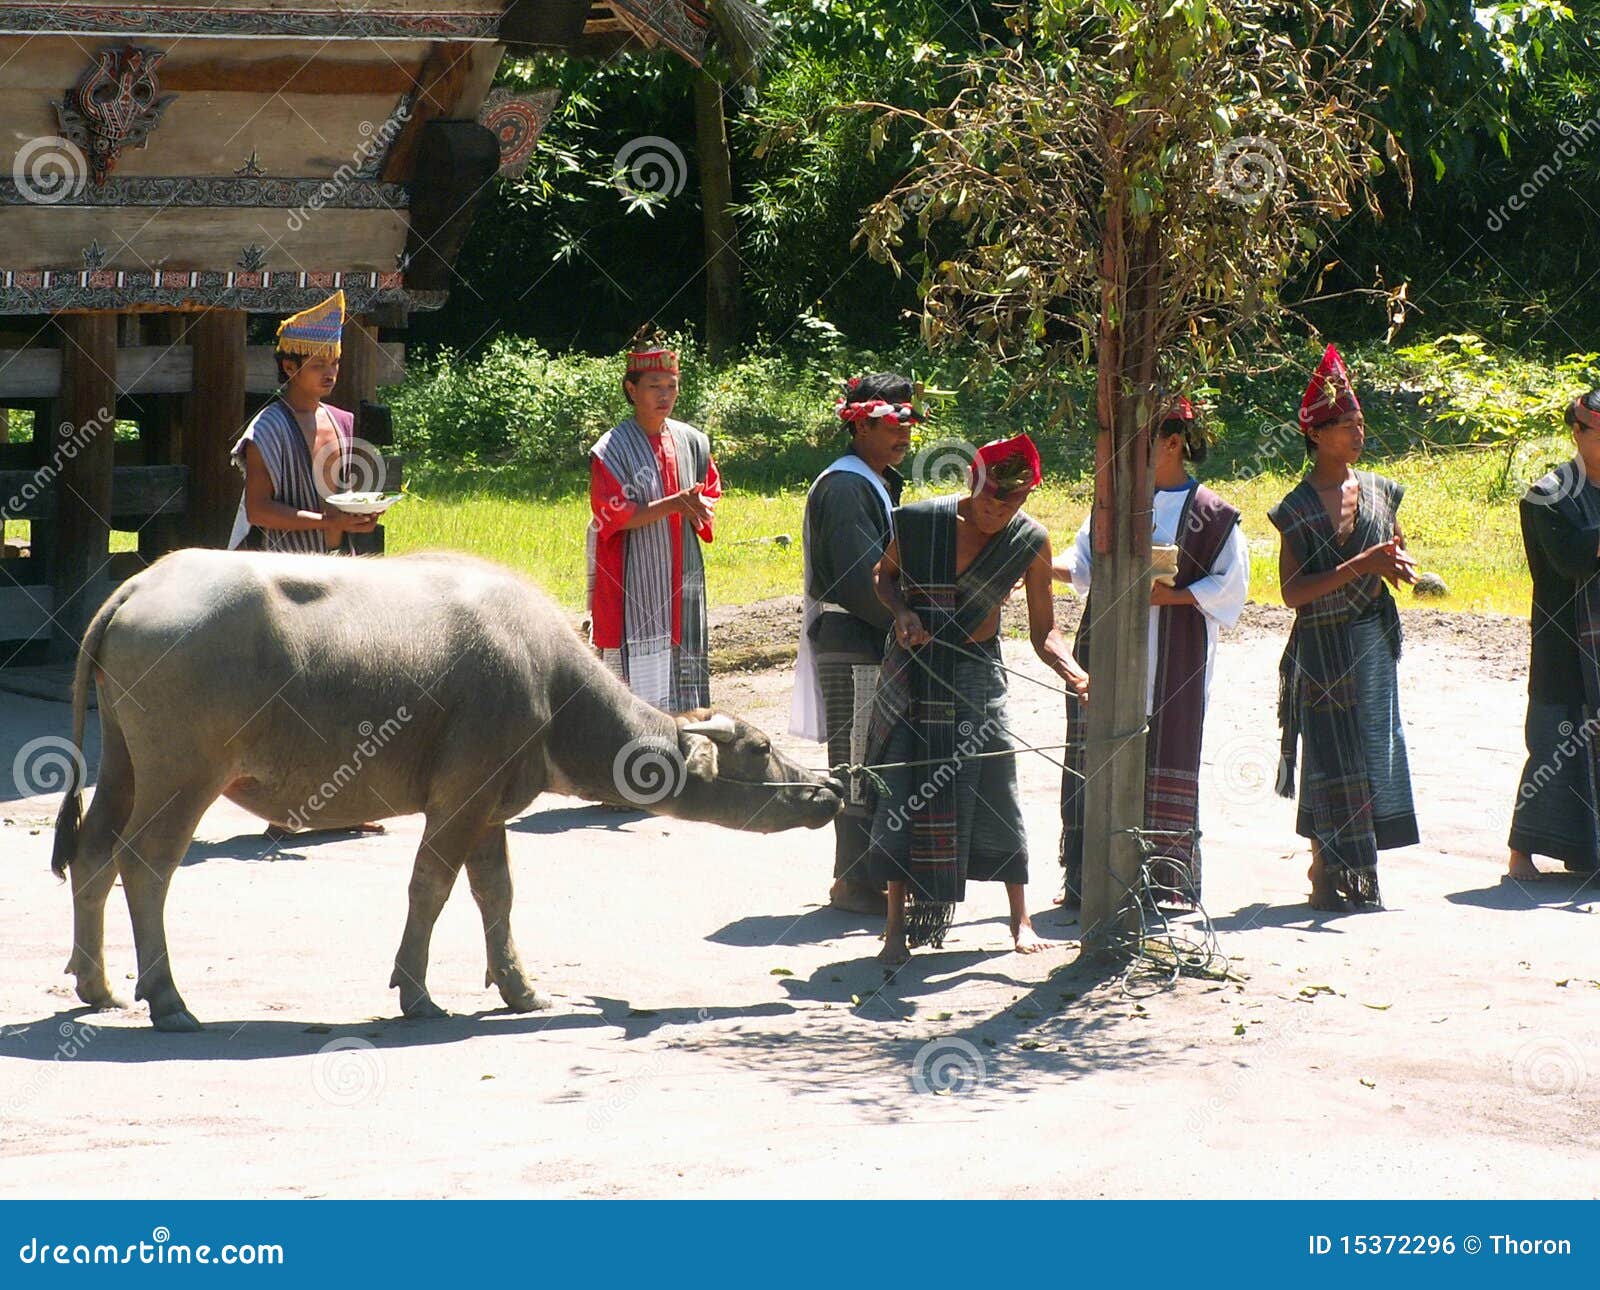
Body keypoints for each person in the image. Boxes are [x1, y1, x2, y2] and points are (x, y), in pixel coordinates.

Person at [864, 434, 1089, 963]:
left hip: (977, 673)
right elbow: (883, 576)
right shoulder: (919, 522)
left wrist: (1076, 673)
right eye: (992, 502)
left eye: (1013, 504)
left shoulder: (1029, 540)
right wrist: (901, 613)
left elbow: (1045, 633)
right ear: (973, 484)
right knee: (904, 787)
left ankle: (1021, 919)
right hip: (914, 671)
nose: (999, 514)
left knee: (997, 789)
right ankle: (896, 928)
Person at [1057, 398, 1248, 910]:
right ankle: (1089, 874)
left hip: (1174, 658)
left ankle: (1161, 881)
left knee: (1165, 748)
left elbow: (1232, 588)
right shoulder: (1111, 503)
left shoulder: (1213, 514)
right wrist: (1025, 562)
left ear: (1171, 442)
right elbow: (1080, 566)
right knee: (1099, 751)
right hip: (1107, 651)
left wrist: (1175, 595)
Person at [1268, 344, 1419, 912]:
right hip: (1323, 646)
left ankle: (1353, 863)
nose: (1358, 434)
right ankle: (1322, 863)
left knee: (1370, 748)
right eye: (1346, 426)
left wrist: (1396, 564)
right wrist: (1364, 564)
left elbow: (1392, 548)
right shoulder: (1297, 508)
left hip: (1371, 639)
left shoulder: (1380, 490)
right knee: (1328, 756)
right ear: (1317, 434)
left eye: (1360, 424)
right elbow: (1291, 593)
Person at [790, 374, 915, 915]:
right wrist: (905, 616)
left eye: (908, 425)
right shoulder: (845, 486)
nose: (903, 436)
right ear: (860, 424)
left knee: (872, 758)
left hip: (869, 634)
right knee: (857, 760)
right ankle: (852, 880)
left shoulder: (876, 480)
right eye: (891, 426)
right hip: (853, 636)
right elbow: (858, 579)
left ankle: (869, 877)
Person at [587, 326, 722, 711]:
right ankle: (640, 740)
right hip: (636, 575)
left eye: (672, 385)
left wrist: (698, 507)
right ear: (632, 390)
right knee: (640, 676)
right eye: (654, 386)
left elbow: (710, 488)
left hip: (684, 569)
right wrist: (674, 503)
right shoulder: (611, 449)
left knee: (687, 653)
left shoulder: (692, 440)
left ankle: (688, 735)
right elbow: (611, 514)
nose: (665, 395)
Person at [1506, 391, 1600, 881]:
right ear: (1577, 434)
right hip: (1566, 640)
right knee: (1554, 743)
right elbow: (1569, 562)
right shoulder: (1549, 493)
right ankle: (1523, 851)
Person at [229, 289, 377, 554]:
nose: (330, 373)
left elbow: (343, 494)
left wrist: (360, 515)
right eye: (318, 364)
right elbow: (258, 509)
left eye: (335, 363)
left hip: (341, 560)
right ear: (289, 367)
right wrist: (327, 521)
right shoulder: (267, 429)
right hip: (285, 570)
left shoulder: (342, 421)